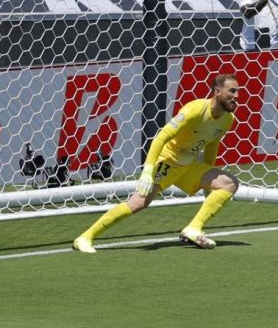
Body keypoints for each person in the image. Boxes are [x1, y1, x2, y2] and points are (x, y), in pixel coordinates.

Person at [74, 73, 245, 253]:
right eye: (232, 91)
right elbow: (161, 136)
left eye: (238, 91)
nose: (237, 96)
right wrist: (147, 171)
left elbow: (212, 144)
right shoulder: (194, 110)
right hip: (167, 162)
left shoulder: (228, 119)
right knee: (137, 204)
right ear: (217, 92)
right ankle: (85, 237)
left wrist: (208, 180)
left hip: (189, 166)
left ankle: (193, 228)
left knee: (229, 183)